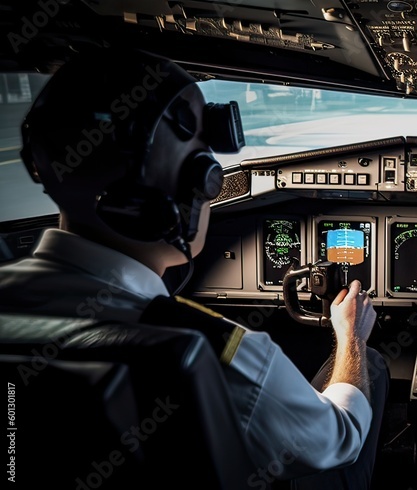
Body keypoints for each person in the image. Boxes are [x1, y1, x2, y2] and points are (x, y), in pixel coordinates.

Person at [0, 47, 388, 488]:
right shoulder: (217, 347)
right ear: (196, 188)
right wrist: (351, 339)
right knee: (368, 365)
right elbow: (341, 440)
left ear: (39, 166)